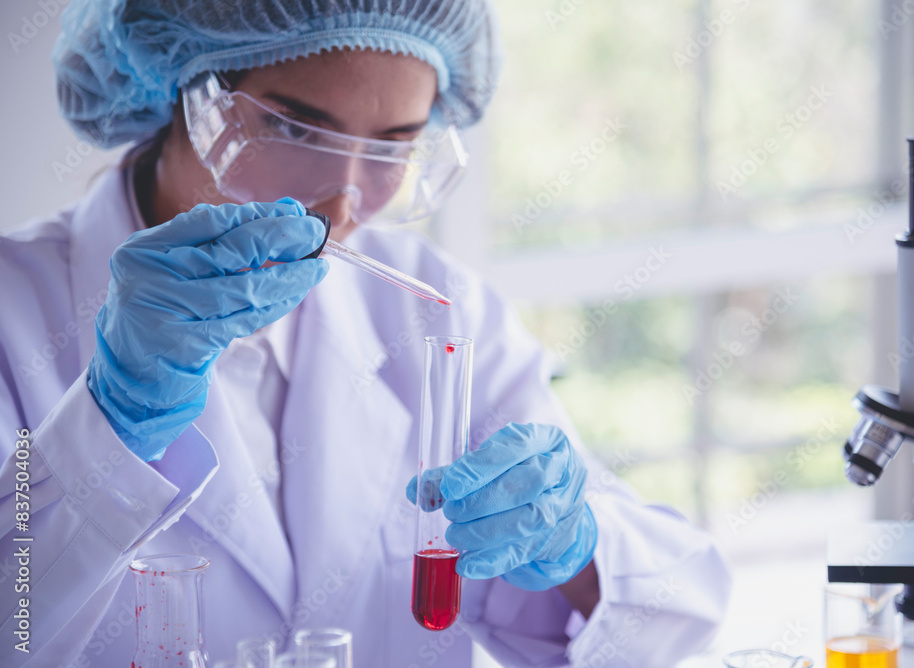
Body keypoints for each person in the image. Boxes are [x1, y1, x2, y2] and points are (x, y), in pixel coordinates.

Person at [0, 1, 731, 666]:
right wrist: (109, 429)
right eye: (291, 126)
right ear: (185, 93)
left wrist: (573, 547)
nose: (340, 200)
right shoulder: (14, 310)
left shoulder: (436, 310)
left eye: (395, 143)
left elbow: (683, 602)